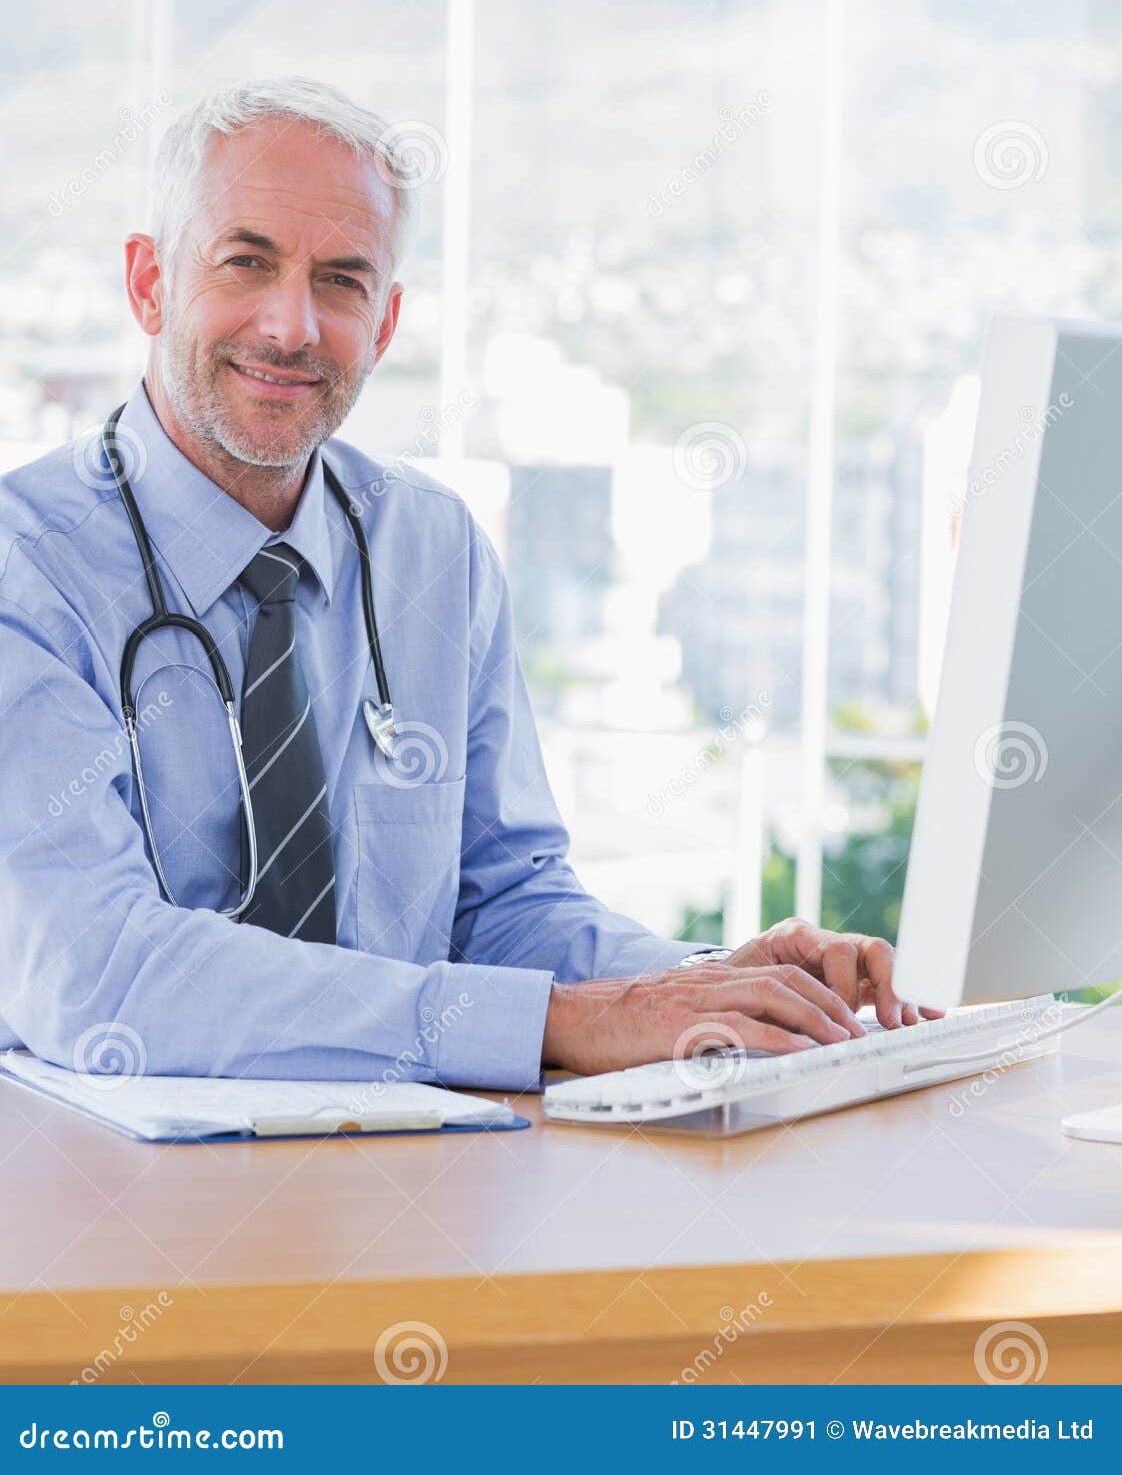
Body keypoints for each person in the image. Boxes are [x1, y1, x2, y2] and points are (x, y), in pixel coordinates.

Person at [0, 76, 923, 1091]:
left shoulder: (431, 551)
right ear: (148, 283)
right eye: (246, 262)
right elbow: (93, 971)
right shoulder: (26, 566)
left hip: (408, 1178)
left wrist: (710, 990)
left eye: (343, 281)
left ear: (386, 324)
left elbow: (504, 905)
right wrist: (554, 1022)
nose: (292, 325)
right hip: (116, 1205)